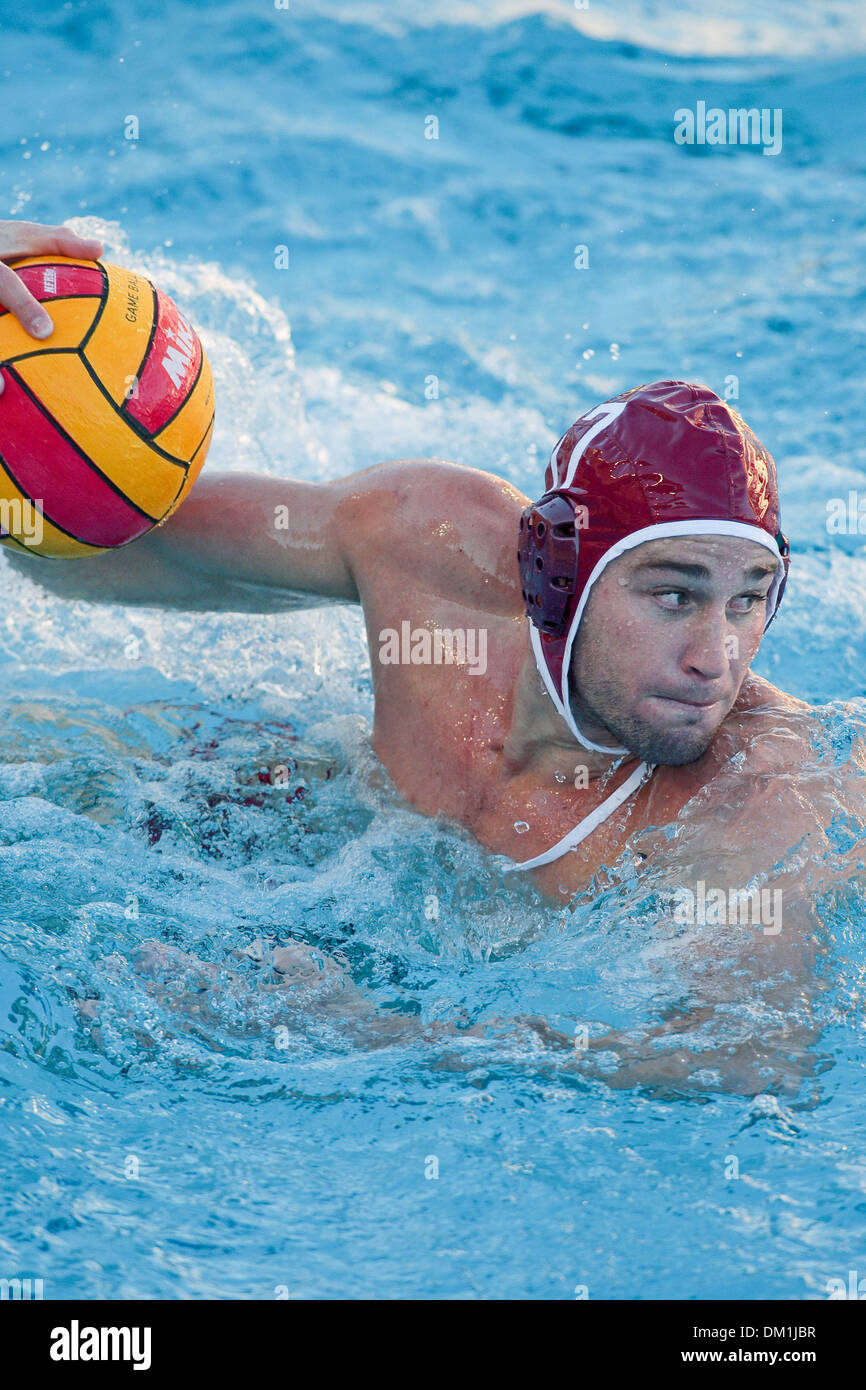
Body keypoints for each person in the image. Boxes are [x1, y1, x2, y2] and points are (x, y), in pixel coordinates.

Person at [0, 220, 860, 911]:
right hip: (296, 814)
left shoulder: (765, 798)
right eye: (674, 594)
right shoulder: (424, 542)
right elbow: (108, 547)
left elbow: (728, 1063)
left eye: (750, 601)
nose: (720, 657)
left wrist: (365, 1029)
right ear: (558, 572)